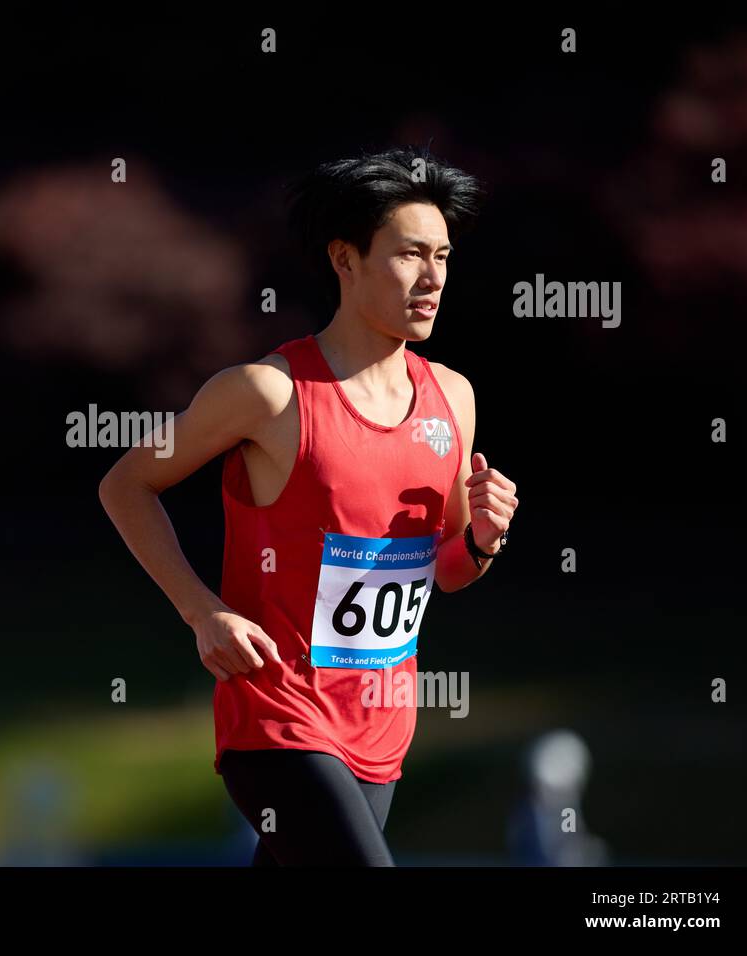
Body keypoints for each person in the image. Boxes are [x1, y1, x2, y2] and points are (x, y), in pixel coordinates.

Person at [99, 146, 519, 866]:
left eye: (443, 255)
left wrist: (481, 538)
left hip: (383, 733)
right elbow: (125, 484)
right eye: (410, 254)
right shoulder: (269, 393)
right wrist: (202, 611)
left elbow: (446, 571)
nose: (433, 277)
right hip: (279, 723)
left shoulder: (453, 397)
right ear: (345, 260)